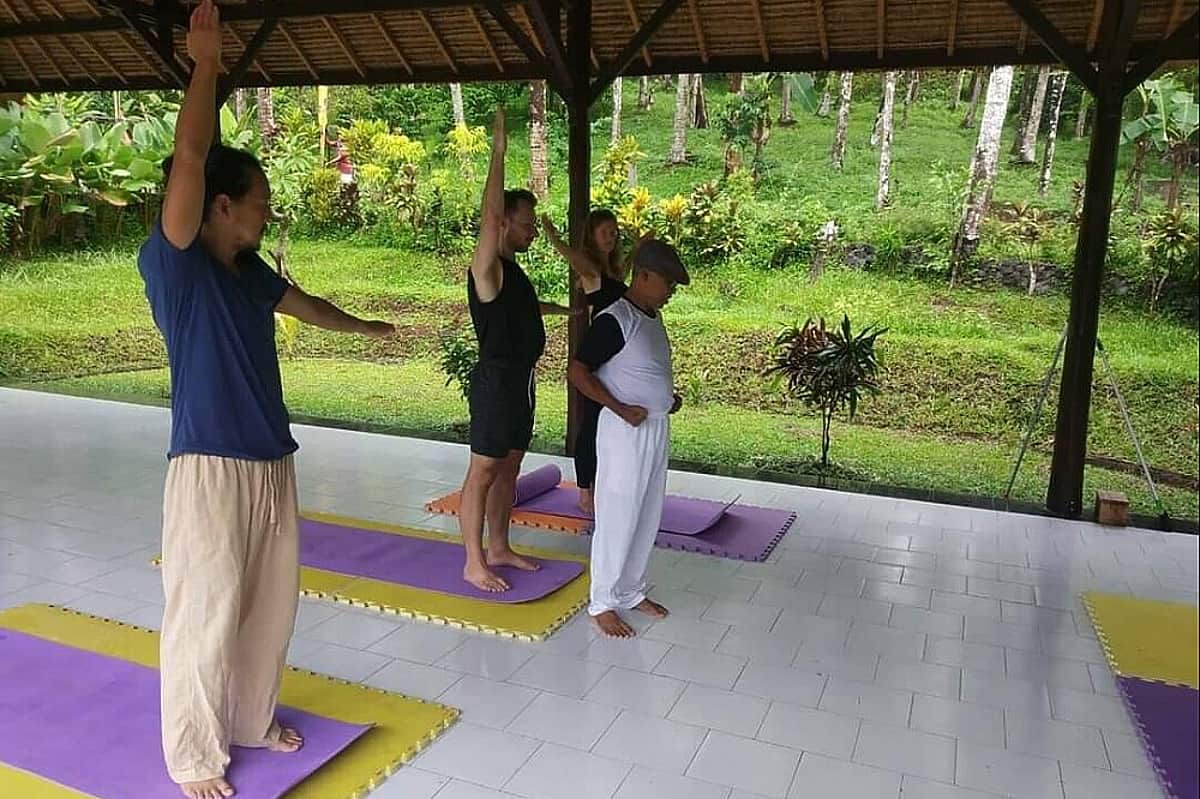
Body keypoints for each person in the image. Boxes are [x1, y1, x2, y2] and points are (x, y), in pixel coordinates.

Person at [138, 4, 395, 797]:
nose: (268, 209)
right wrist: (205, 65)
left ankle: (248, 718)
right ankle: (193, 752)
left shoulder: (248, 273)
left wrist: (365, 327)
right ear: (222, 204)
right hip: (209, 465)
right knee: (205, 612)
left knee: (266, 609)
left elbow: (305, 305)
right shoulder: (177, 263)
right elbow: (190, 156)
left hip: (270, 461)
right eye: (260, 198)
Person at [459, 107, 570, 593]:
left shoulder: (514, 274)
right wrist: (499, 150)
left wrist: (564, 310)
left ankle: (500, 546)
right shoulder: (487, 268)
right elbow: (488, 215)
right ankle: (473, 561)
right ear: (503, 223)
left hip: (522, 382)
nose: (532, 232)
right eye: (526, 225)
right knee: (484, 468)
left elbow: (521, 310)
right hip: (497, 382)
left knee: (510, 467)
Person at [567, 239, 690, 637]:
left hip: (654, 427)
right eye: (668, 283)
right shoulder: (616, 318)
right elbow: (578, 372)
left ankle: (630, 590)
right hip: (624, 431)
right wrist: (619, 407)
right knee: (618, 514)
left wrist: (665, 400)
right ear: (644, 276)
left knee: (646, 513)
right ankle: (602, 601)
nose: (672, 291)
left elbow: (640, 370)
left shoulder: (651, 316)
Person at [541, 209, 631, 515]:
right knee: (591, 422)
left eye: (614, 231)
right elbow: (574, 258)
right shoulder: (591, 273)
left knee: (608, 419)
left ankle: (603, 483)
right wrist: (554, 237)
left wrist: (640, 247)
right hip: (597, 352)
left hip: (615, 352)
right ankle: (584, 492)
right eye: (605, 231)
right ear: (592, 236)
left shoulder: (612, 272)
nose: (611, 236)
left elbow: (623, 277)